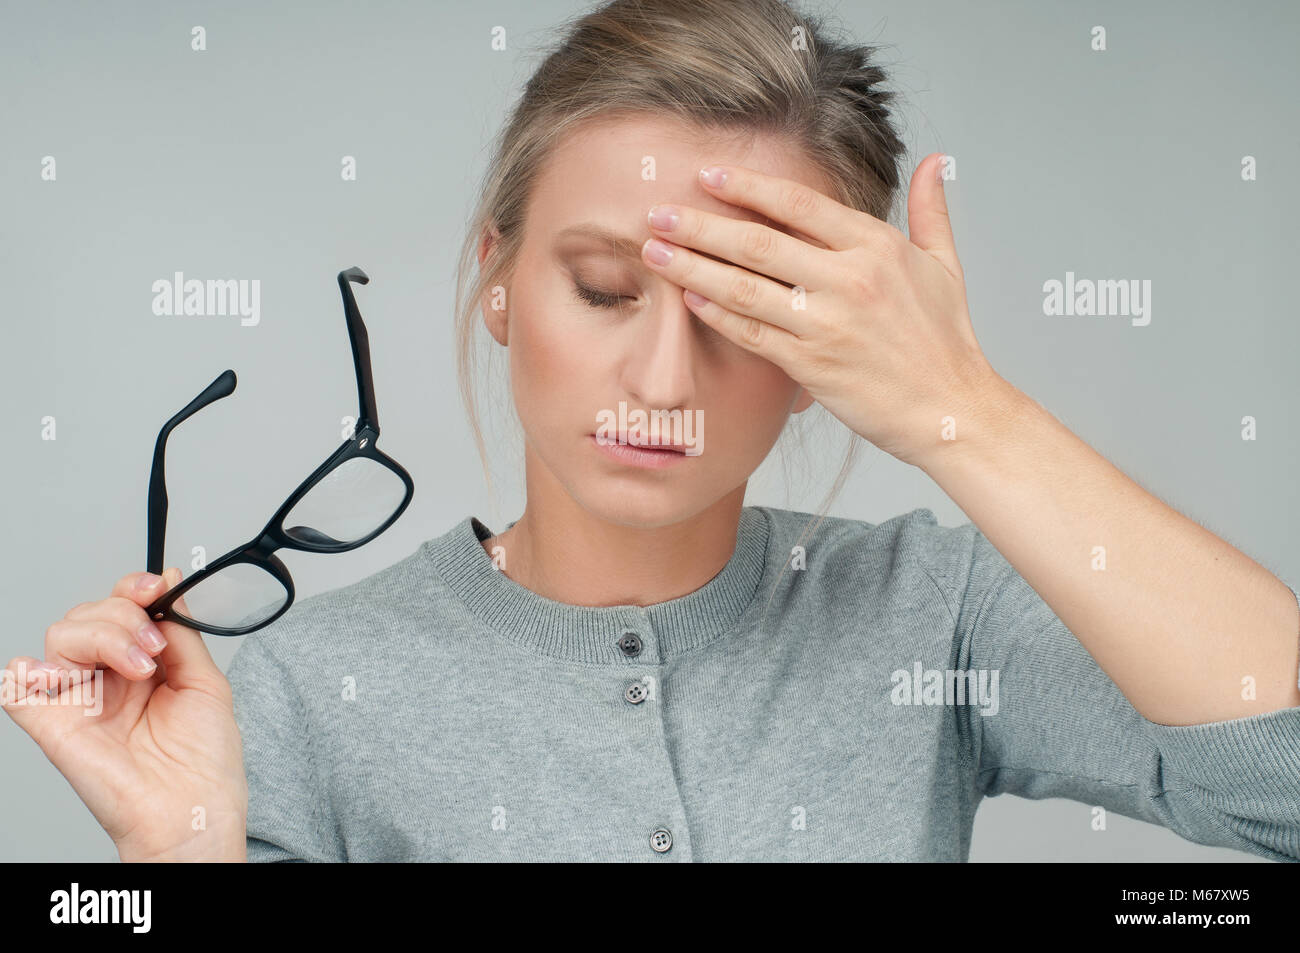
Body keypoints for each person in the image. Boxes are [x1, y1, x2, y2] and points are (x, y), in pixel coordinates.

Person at [7, 0, 1300, 863]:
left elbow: (1281, 788)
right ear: (498, 277)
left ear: (827, 354)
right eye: (608, 288)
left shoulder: (940, 616)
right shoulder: (285, 693)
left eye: (753, 309)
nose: (664, 369)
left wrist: (970, 412)